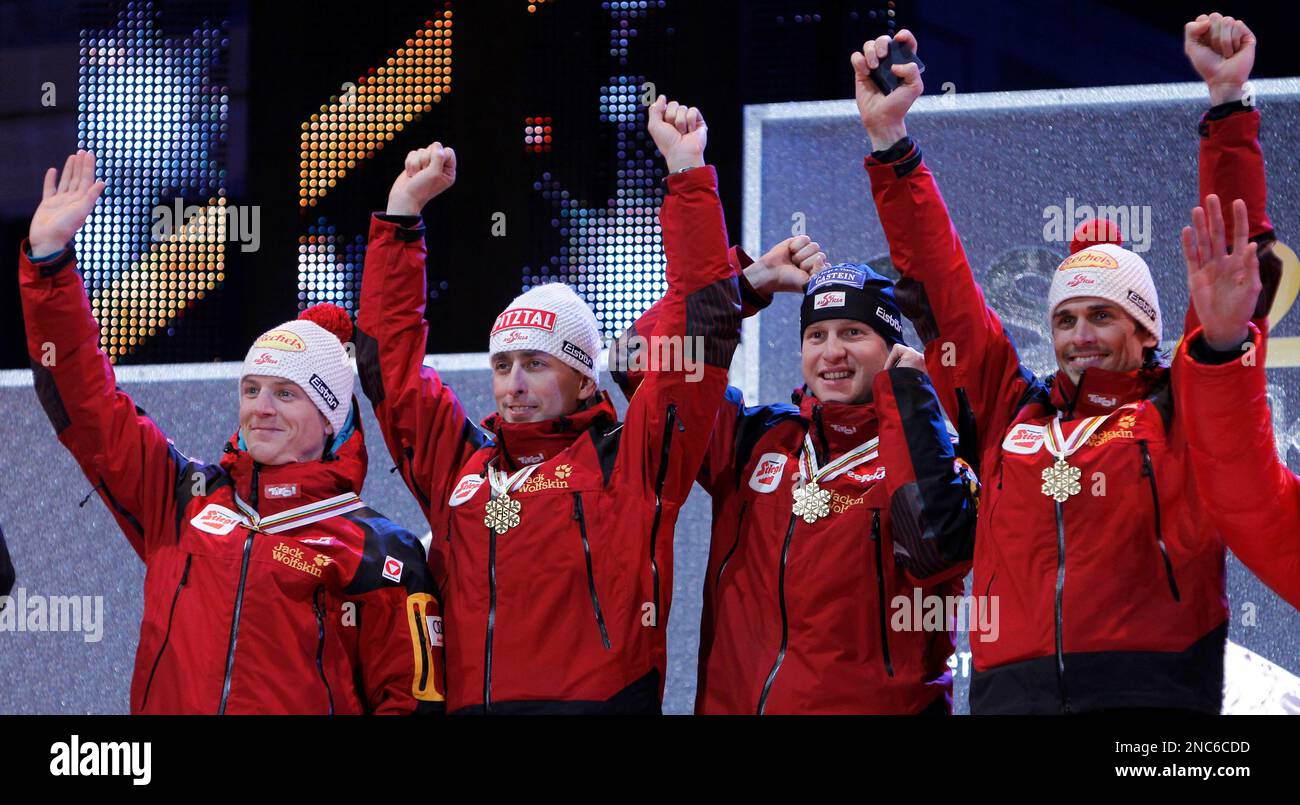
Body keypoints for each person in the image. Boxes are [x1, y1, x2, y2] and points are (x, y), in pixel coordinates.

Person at [855, 19, 1278, 713]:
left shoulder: (1178, 408)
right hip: (1007, 695)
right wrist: (890, 143)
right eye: (1065, 318)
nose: (1080, 334)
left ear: (1147, 331)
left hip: (1152, 700)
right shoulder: (1013, 409)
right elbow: (943, 286)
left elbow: (1237, 261)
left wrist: (1229, 101)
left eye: (1103, 315)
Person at [355, 96, 741, 713]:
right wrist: (402, 218)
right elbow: (389, 371)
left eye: (537, 364)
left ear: (587, 381)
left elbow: (703, 324)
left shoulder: (633, 461)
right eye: (503, 365)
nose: (514, 384)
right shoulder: (461, 467)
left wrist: (687, 174)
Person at [19, 151, 442, 714]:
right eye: (251, 389)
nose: (260, 408)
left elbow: (412, 704)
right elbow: (88, 405)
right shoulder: (182, 499)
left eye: (286, 393)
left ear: (331, 417)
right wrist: (49, 267)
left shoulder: (380, 551)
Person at [612, 236, 978, 714]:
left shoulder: (935, 453)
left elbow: (934, 553)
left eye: (853, 333)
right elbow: (635, 359)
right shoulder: (755, 439)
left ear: (892, 348)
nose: (832, 353)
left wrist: (910, 400)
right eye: (817, 335)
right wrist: (744, 284)